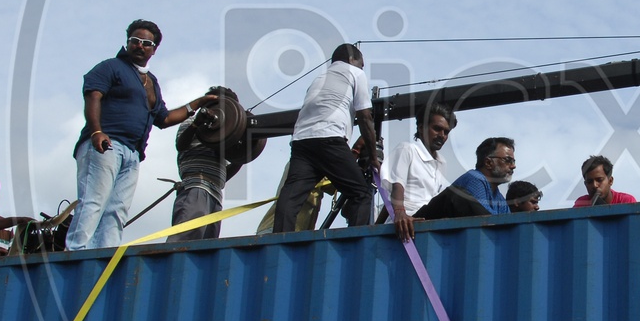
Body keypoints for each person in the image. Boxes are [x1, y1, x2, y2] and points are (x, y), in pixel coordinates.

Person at [68, 20, 216, 250]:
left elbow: (164, 119)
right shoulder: (111, 67)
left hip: (133, 153)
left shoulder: (151, 82)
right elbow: (93, 96)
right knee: (94, 201)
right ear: (127, 43)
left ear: (154, 49)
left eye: (146, 43)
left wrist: (197, 103)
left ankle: (104, 256)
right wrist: (97, 131)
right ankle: (76, 251)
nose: (140, 46)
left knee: (117, 210)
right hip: (106, 144)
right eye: (135, 41)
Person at [272, 44, 382, 233]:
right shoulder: (355, 73)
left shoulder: (318, 79)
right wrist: (373, 157)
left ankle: (278, 240)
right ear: (352, 60)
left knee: (291, 196)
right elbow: (365, 117)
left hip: (301, 142)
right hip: (330, 139)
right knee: (361, 194)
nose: (362, 68)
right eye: (361, 64)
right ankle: (355, 242)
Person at [167, 87, 268, 242]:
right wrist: (196, 124)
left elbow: (226, 172)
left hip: (215, 194)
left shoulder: (224, 138)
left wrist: (243, 154)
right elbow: (181, 145)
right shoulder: (192, 124)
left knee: (206, 246)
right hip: (196, 187)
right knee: (185, 239)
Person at [387, 104, 457, 241]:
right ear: (421, 128)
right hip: (410, 215)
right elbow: (397, 186)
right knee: (458, 192)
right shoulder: (407, 149)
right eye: (437, 129)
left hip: (429, 218)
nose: (442, 135)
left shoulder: (441, 162)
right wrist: (399, 213)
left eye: (446, 132)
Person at [414, 137, 516, 219]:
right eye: (508, 160)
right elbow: (486, 221)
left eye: (513, 161)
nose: (513, 166)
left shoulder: (499, 197)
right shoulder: (475, 179)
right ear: (488, 163)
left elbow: (506, 224)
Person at [573, 155, 638, 207]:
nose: (594, 185)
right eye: (589, 182)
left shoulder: (625, 202)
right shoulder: (581, 204)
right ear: (585, 184)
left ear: (610, 181)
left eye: (599, 180)